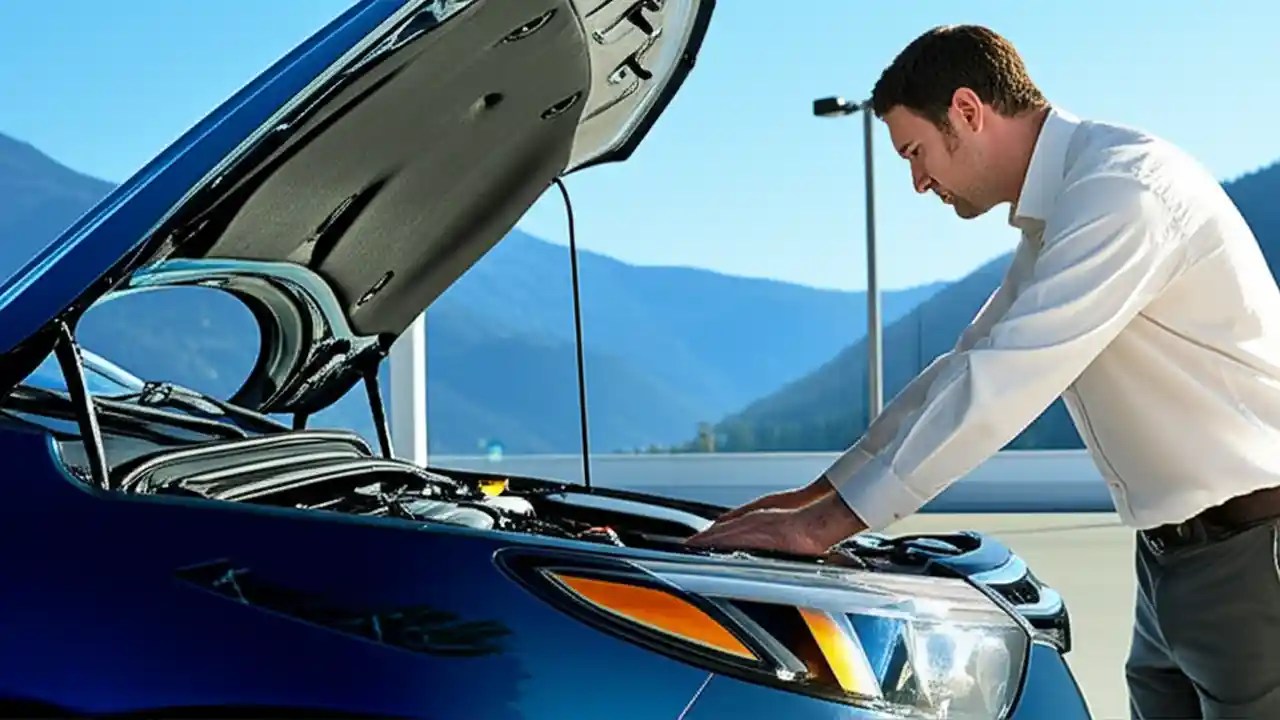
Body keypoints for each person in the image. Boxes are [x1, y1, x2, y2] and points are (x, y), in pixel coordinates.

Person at [686, 23, 1280, 719]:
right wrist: (809, 501)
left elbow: (1006, 378)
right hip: (1172, 562)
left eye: (917, 152)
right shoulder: (1067, 209)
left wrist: (826, 526)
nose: (917, 182)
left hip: (1250, 554)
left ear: (968, 111)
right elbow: (964, 365)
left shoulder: (1124, 194)